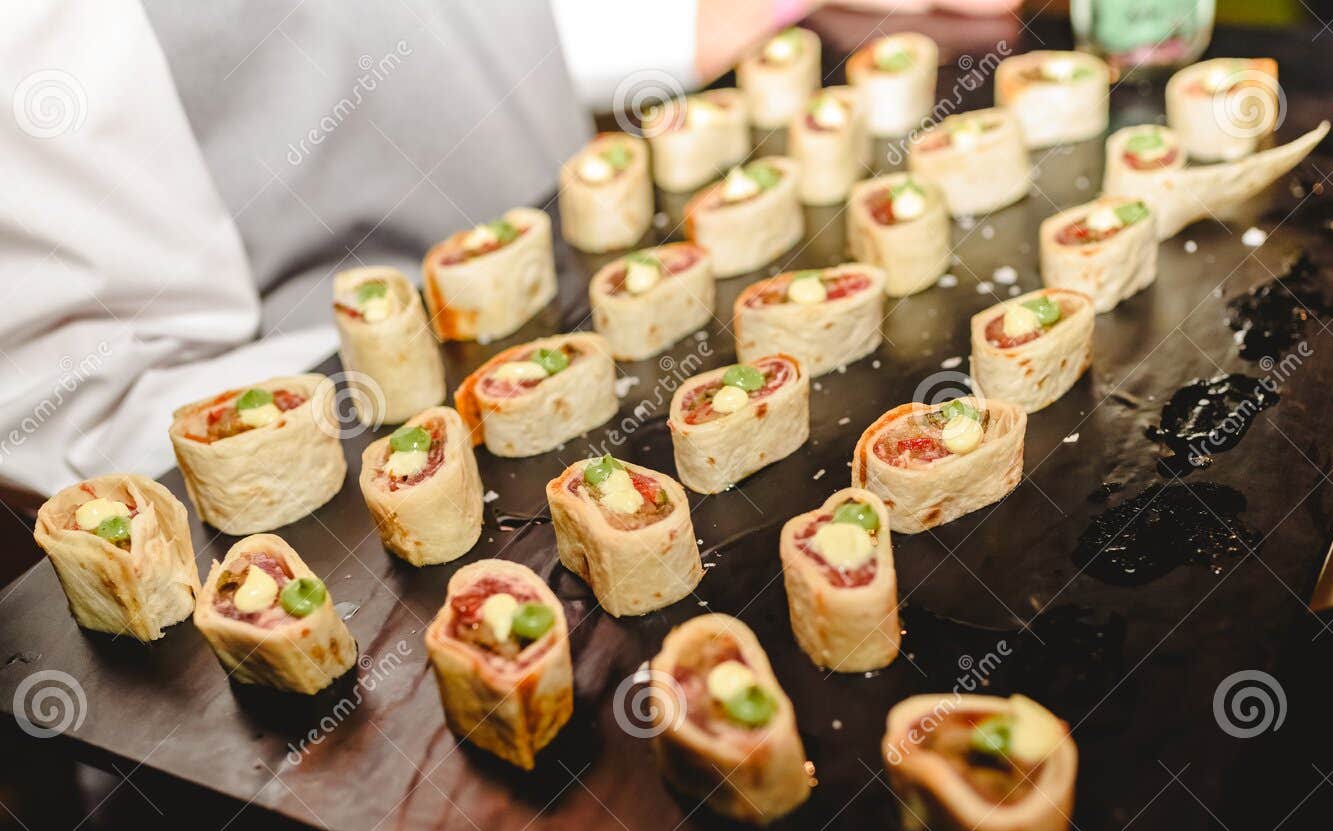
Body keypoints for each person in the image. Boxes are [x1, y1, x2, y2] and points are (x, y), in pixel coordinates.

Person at [0, 0, 1018, 532]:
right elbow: (84, 398)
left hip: (574, 376)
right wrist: (412, 438)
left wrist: (716, 12)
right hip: (343, 518)